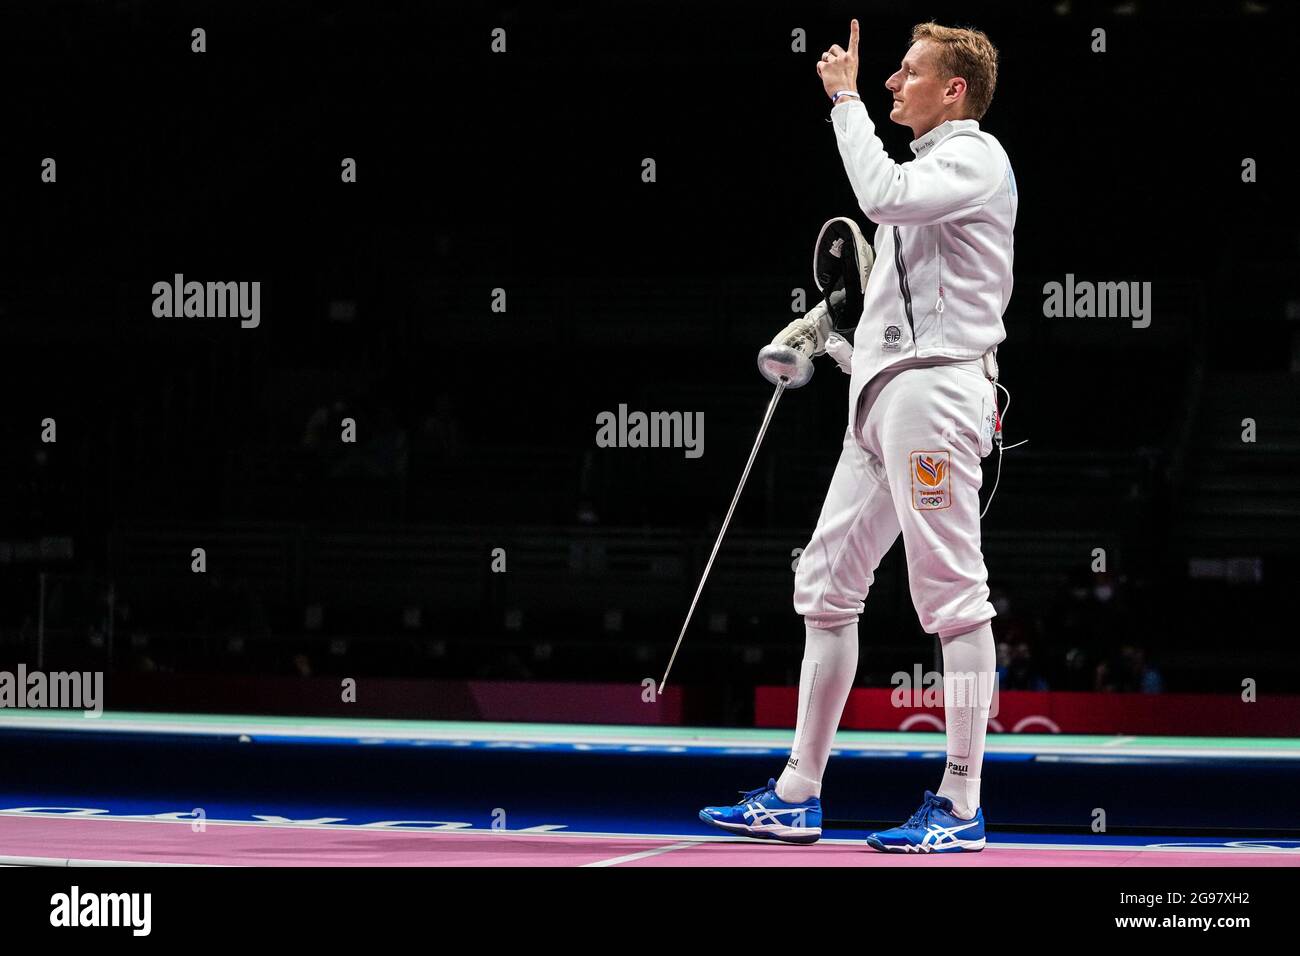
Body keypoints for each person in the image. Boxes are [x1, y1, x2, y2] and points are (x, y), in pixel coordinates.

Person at [700, 20, 1016, 853]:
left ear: (953, 90)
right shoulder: (925, 185)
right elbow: (891, 322)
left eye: (907, 72)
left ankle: (959, 804)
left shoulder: (972, 160)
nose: (888, 83)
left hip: (936, 394)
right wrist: (825, 339)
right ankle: (798, 792)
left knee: (952, 595)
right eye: (889, 74)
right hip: (881, 403)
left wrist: (840, 98)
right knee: (826, 586)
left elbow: (877, 194)